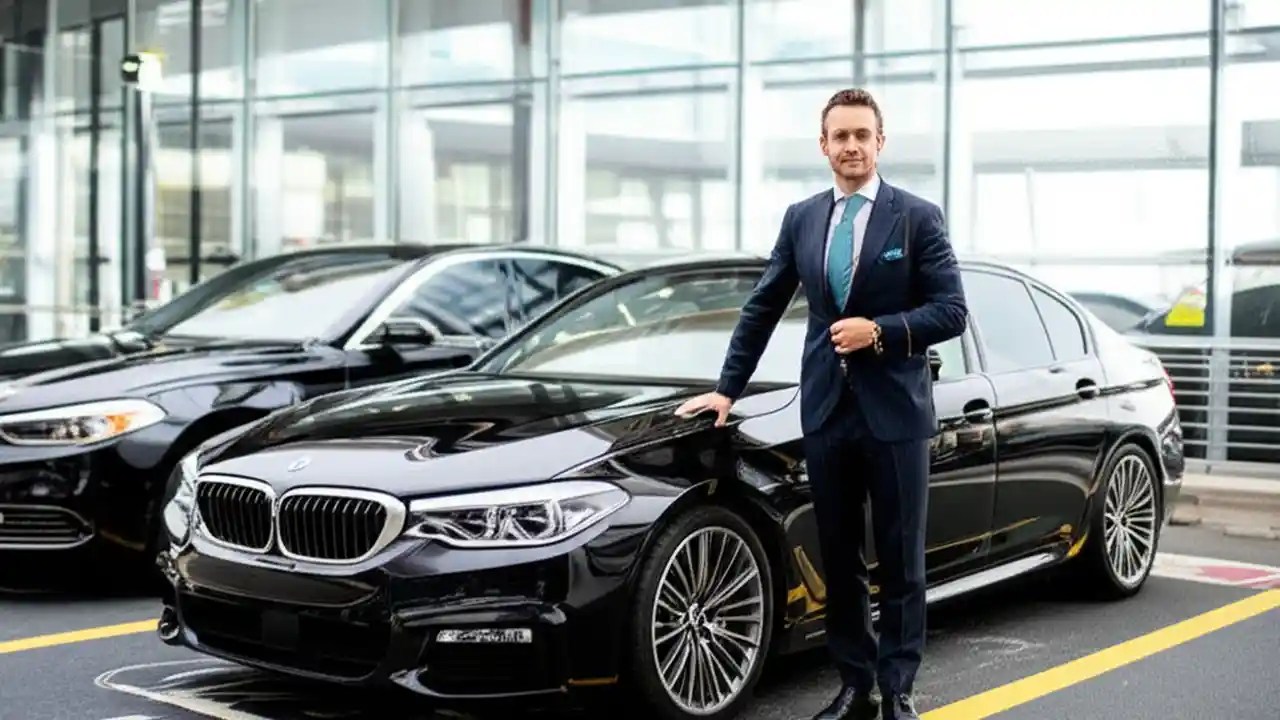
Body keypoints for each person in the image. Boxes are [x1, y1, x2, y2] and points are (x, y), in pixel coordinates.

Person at [675, 88, 967, 720]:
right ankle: (855, 684)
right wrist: (727, 388)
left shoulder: (917, 217)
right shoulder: (803, 217)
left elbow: (952, 311)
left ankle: (898, 690)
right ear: (824, 145)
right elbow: (763, 306)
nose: (852, 146)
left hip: (895, 415)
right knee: (839, 558)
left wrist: (881, 331)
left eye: (863, 135)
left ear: (880, 142)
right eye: (841, 136)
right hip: (828, 412)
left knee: (901, 559)